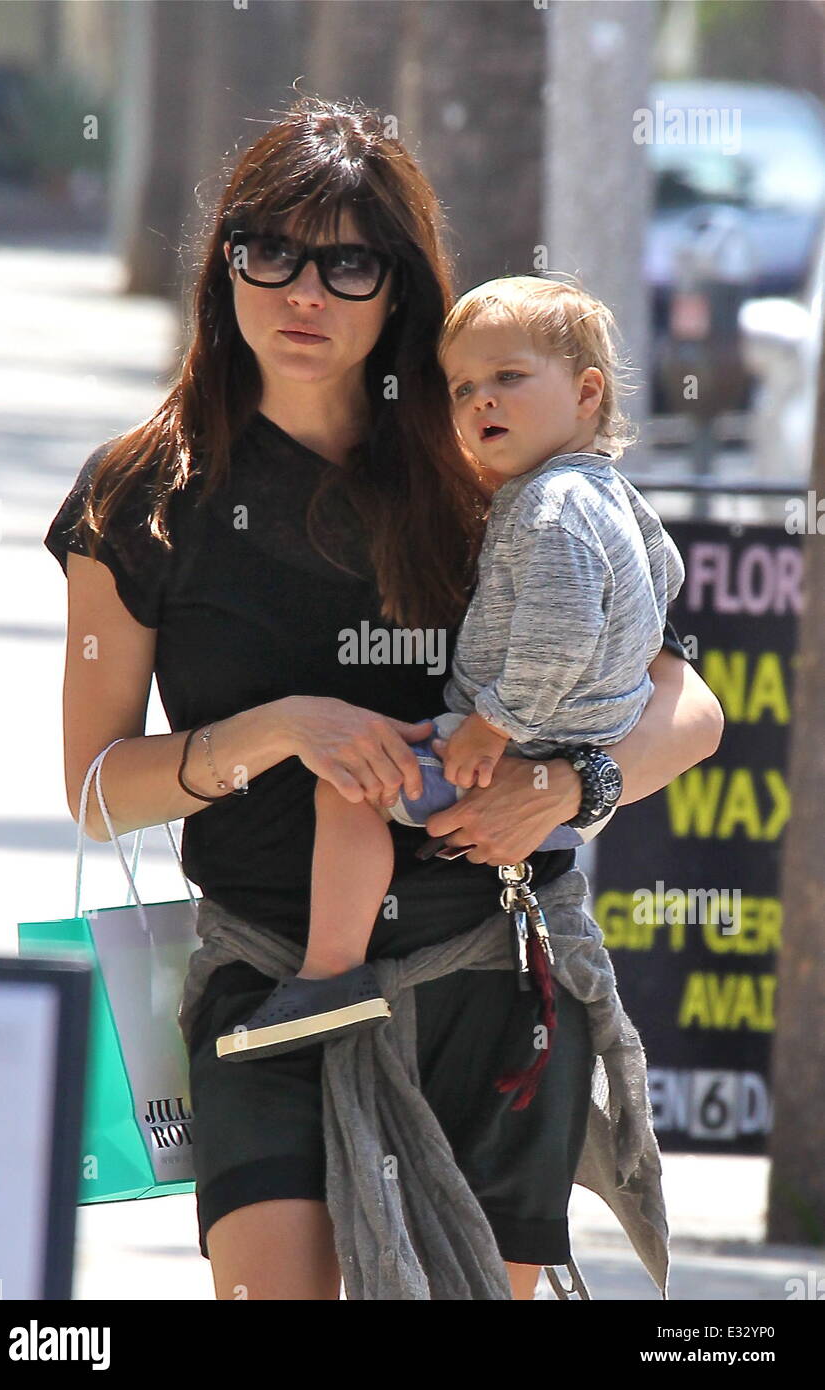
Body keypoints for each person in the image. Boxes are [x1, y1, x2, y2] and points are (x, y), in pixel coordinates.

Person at [44, 96, 724, 1301]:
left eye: (347, 261)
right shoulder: (144, 493)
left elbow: (686, 702)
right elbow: (98, 792)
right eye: (272, 251)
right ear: (225, 268)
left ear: (396, 284)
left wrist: (567, 787)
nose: (304, 290)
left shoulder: (493, 458)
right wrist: (282, 730)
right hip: (275, 988)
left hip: (495, 972)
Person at [228, 274, 686, 1060]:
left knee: (352, 785)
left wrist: (491, 727)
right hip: (576, 745)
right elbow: (665, 574)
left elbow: (557, 636)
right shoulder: (610, 493)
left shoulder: (549, 508)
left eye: (509, 378)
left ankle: (329, 974)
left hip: (517, 744)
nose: (482, 403)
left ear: (586, 394)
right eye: (464, 387)